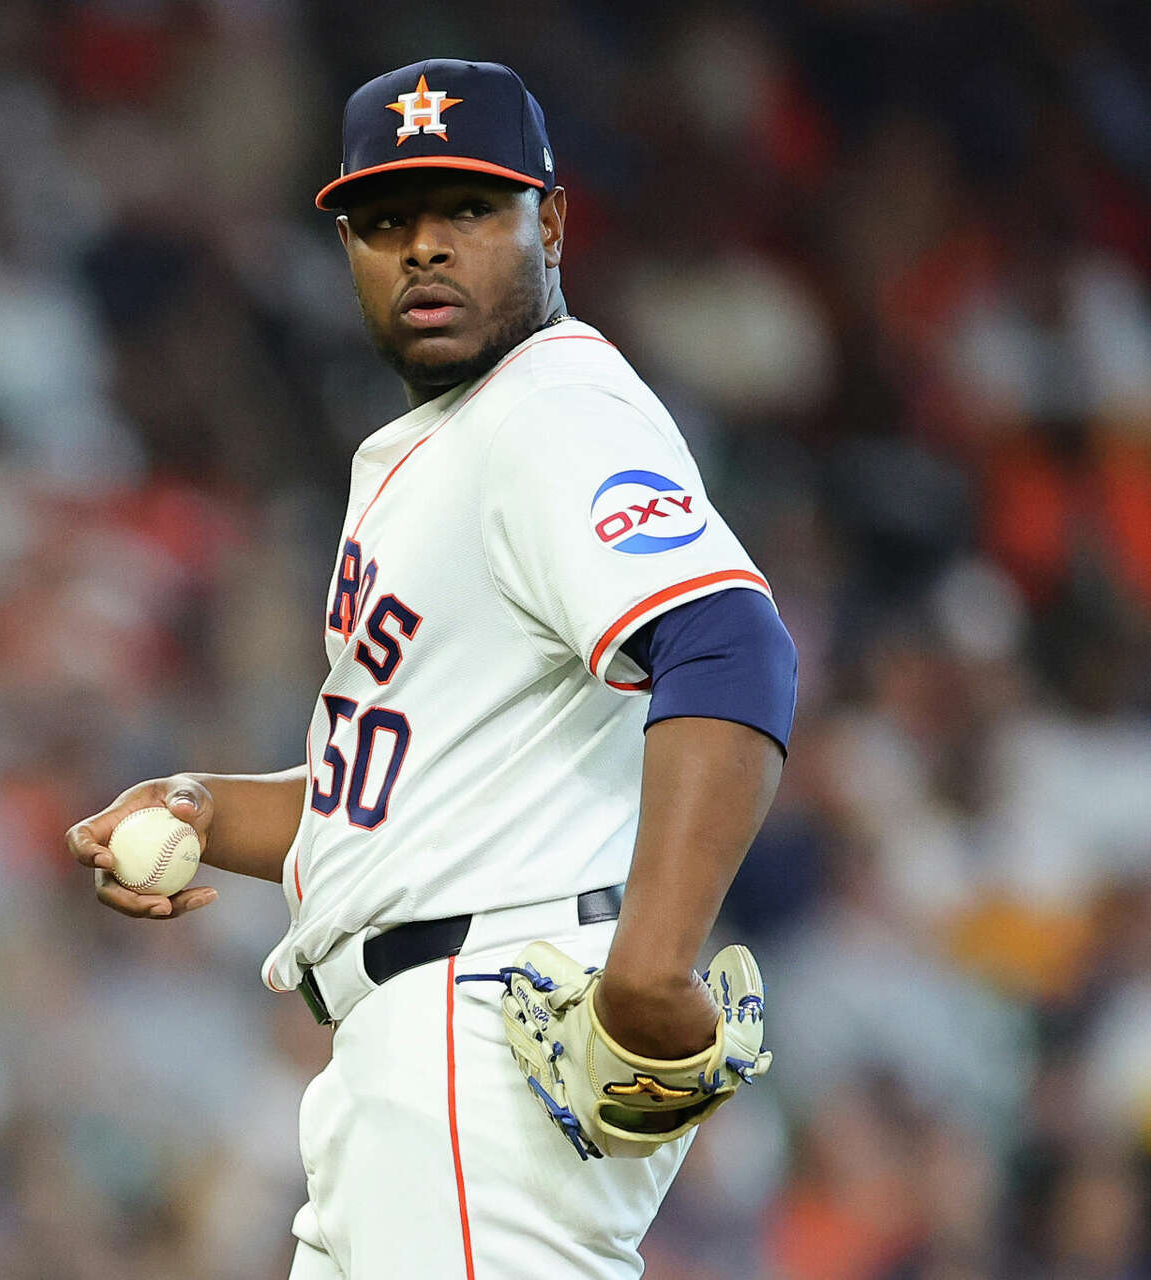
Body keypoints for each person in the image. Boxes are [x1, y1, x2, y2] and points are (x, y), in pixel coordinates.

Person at [66, 58, 797, 1278]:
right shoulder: (446, 441)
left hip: (483, 1031)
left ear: (551, 221)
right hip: (405, 1050)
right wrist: (207, 805)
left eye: (468, 209)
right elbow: (404, 804)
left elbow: (729, 642)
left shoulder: (548, 407)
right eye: (386, 219)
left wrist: (657, 960)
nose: (423, 249)